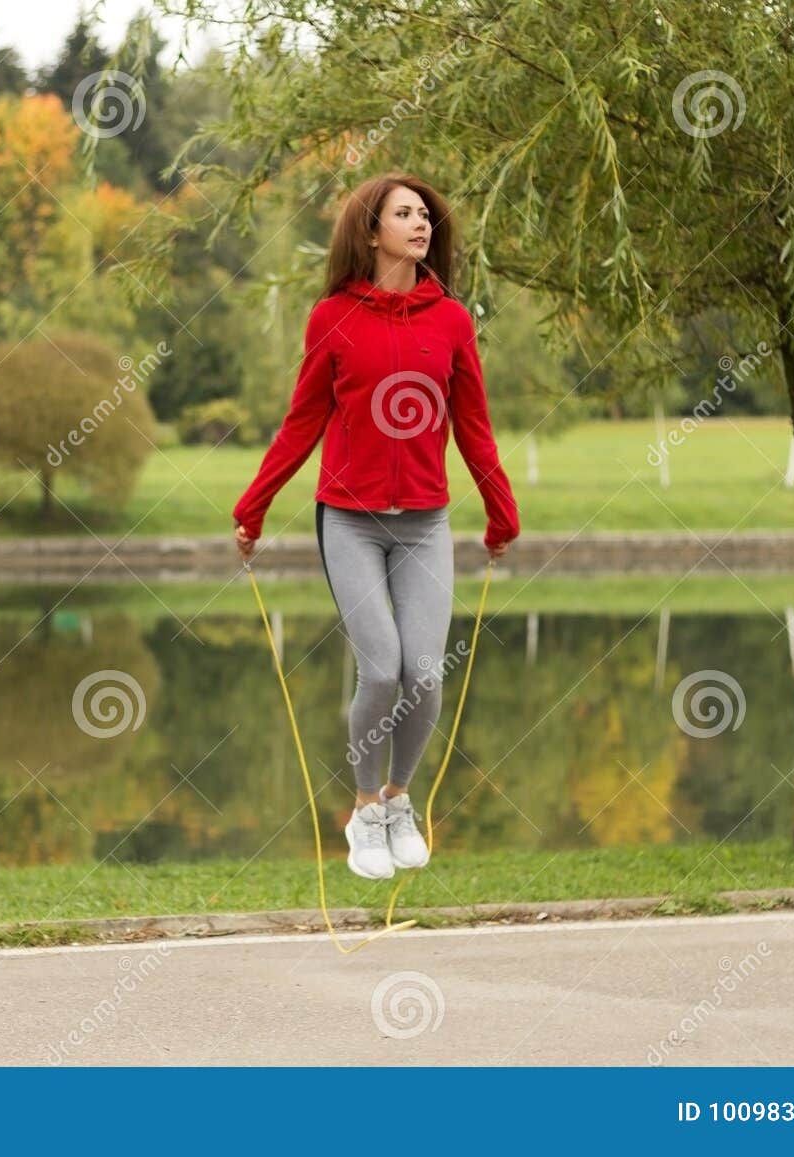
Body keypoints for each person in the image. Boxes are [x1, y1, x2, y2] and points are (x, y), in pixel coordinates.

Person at [232, 173, 520, 880]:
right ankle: (363, 811)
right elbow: (302, 422)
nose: (421, 224)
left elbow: (474, 426)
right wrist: (254, 508)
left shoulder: (451, 321)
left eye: (425, 215)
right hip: (350, 523)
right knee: (383, 666)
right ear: (370, 231)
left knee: (425, 674)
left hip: (425, 525)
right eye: (404, 214)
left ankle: (397, 800)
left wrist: (500, 511)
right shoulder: (332, 316)